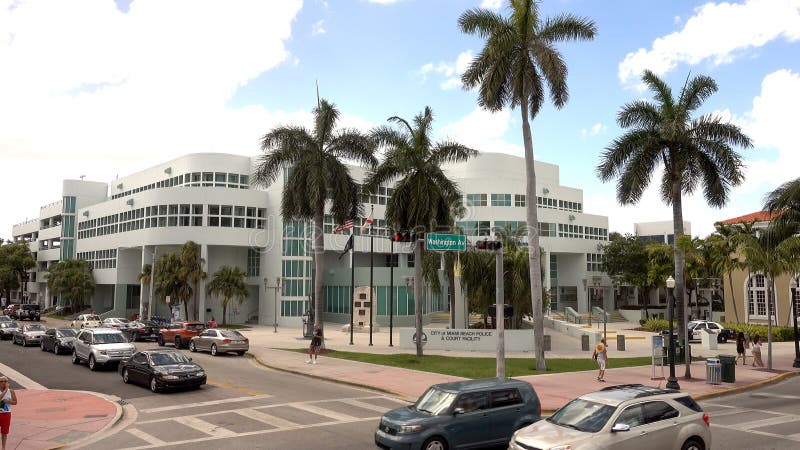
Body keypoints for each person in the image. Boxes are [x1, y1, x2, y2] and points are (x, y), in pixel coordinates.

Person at [0, 376, 18, 450]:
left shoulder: (11, 391)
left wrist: (9, 401)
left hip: (6, 414)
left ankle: (3, 448)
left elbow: (15, 402)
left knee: (4, 432)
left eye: (5, 381)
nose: (3, 383)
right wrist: (5, 390)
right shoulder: (6, 390)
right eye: (1, 381)